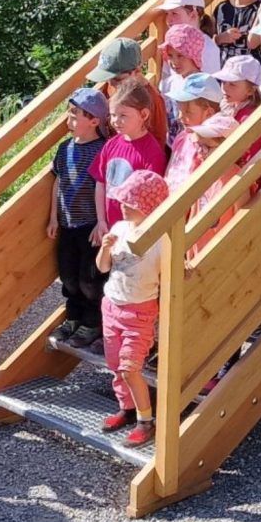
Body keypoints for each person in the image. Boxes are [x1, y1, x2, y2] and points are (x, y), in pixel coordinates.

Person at [96, 169, 170, 448]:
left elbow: (172, 271)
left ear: (148, 207)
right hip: (112, 306)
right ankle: (126, 408)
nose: (123, 206)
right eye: (123, 200)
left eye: (131, 203)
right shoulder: (120, 228)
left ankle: (145, 421)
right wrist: (105, 248)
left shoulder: (161, 239)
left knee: (130, 368)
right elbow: (103, 267)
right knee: (115, 365)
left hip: (139, 312)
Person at [47, 89, 109, 348]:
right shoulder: (65, 148)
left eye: (75, 114)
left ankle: (92, 323)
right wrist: (53, 217)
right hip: (67, 223)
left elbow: (103, 186)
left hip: (90, 225)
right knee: (69, 276)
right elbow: (58, 181)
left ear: (94, 120)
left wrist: (102, 222)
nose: (68, 119)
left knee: (89, 279)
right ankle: (73, 318)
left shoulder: (102, 149)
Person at [91, 77, 170, 230]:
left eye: (123, 115)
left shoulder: (152, 152)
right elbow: (100, 183)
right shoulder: (111, 144)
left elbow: (152, 199)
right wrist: (101, 221)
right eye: (113, 115)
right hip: (110, 227)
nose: (115, 121)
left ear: (144, 115)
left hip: (135, 229)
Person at [155, 0, 212, 83]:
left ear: (193, 15)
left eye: (174, 13)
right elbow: (166, 79)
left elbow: (210, 83)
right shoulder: (170, 43)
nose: (168, 20)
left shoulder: (208, 46)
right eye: (167, 14)